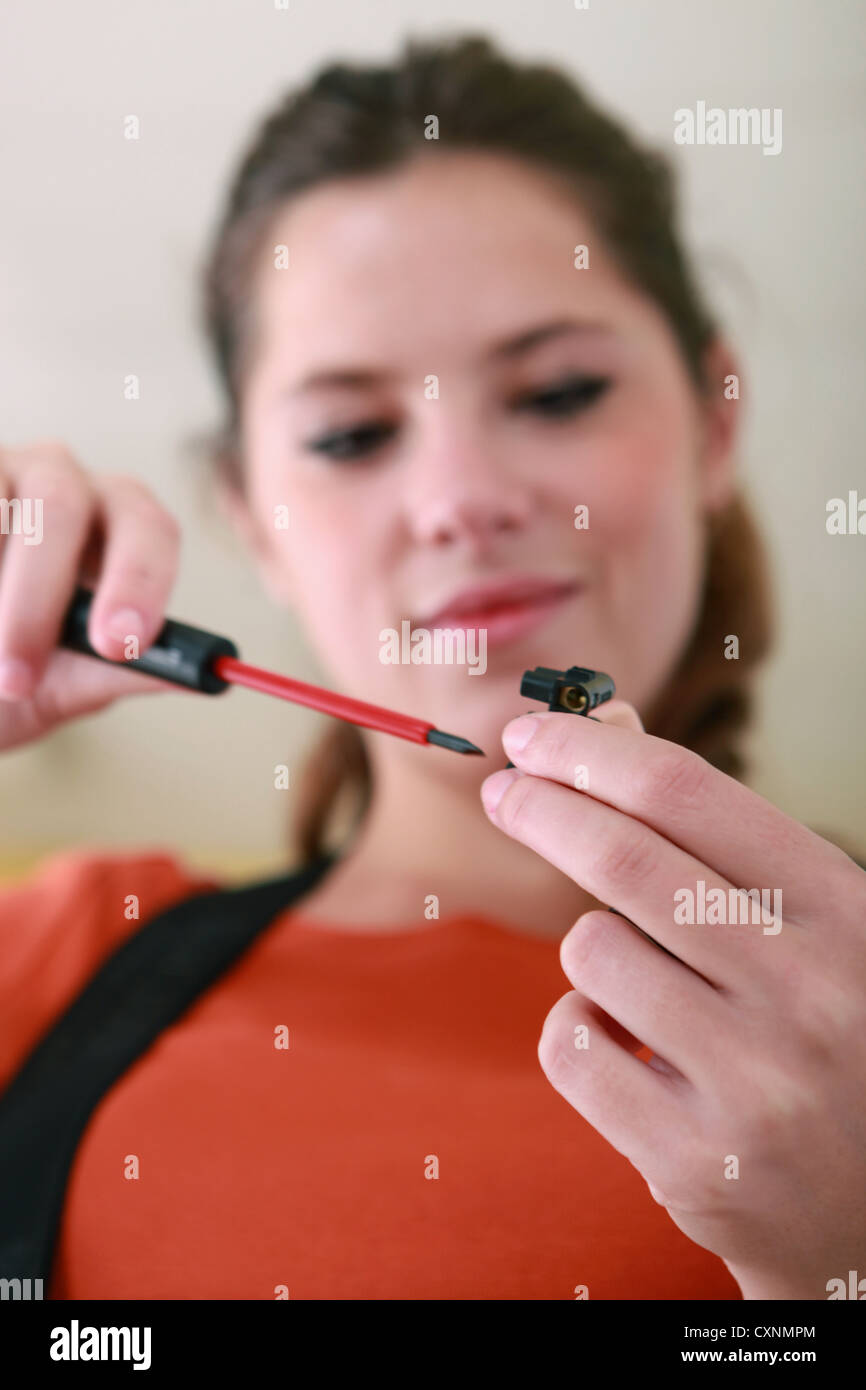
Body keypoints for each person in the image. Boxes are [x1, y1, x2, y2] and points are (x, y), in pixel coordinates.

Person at [0, 34, 863, 1302]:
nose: (460, 501)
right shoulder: (60, 956)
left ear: (712, 419)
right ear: (251, 519)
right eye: (351, 433)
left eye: (558, 391)